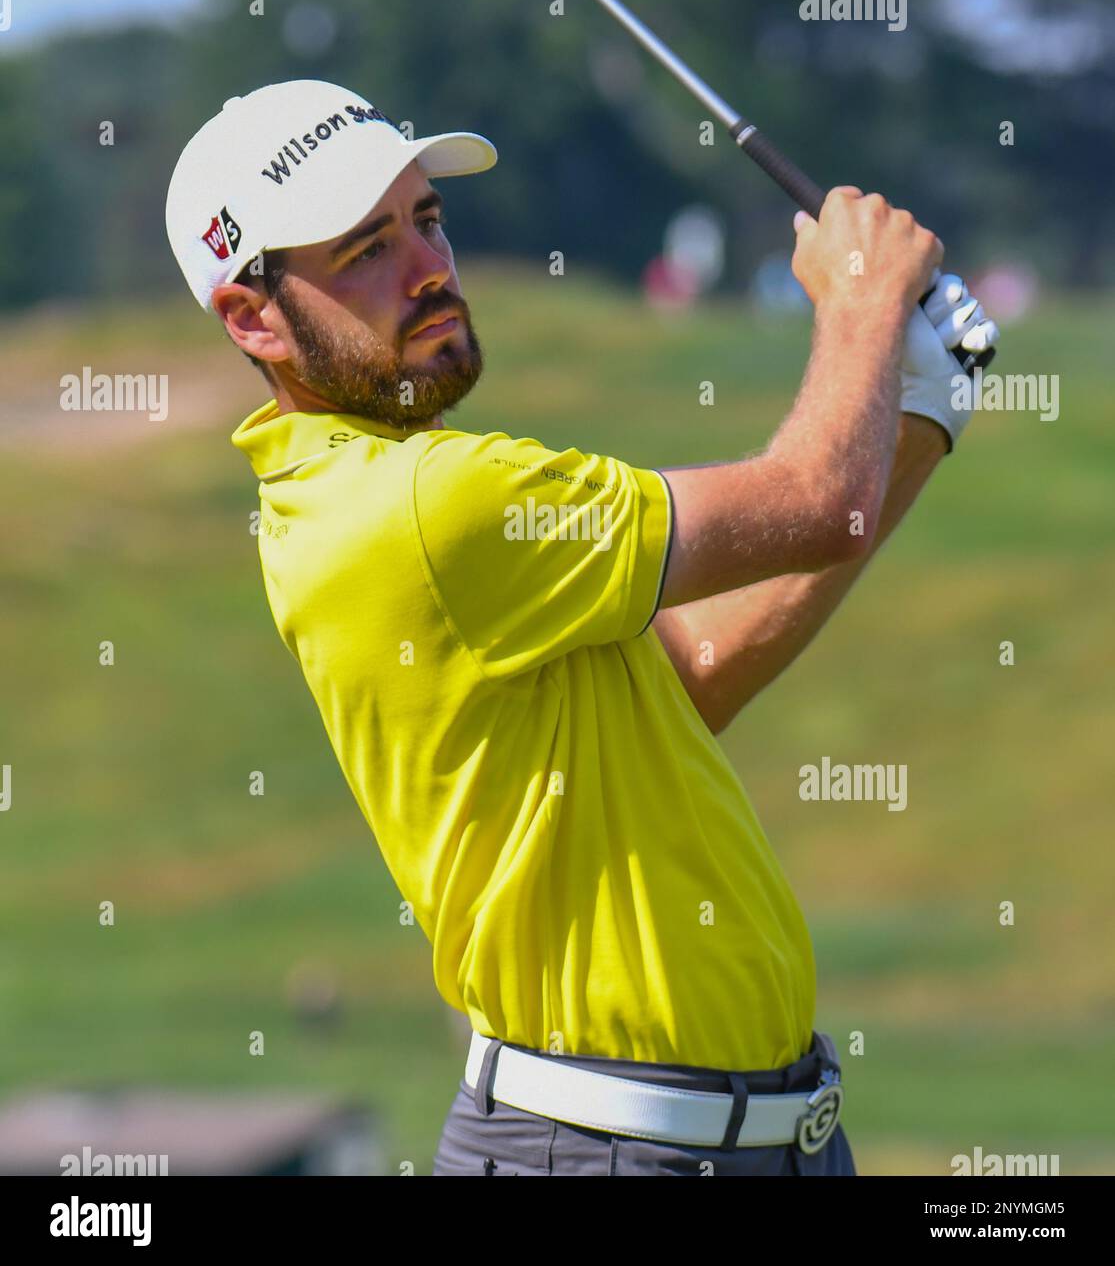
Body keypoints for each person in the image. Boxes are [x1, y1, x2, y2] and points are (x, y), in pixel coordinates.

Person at [165, 79, 999, 1176]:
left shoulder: (374, 493)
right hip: (605, 1150)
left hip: (748, 1142)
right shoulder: (424, 506)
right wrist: (860, 305)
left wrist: (919, 412)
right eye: (364, 248)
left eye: (426, 220)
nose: (426, 270)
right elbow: (814, 501)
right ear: (251, 315)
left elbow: (694, 666)